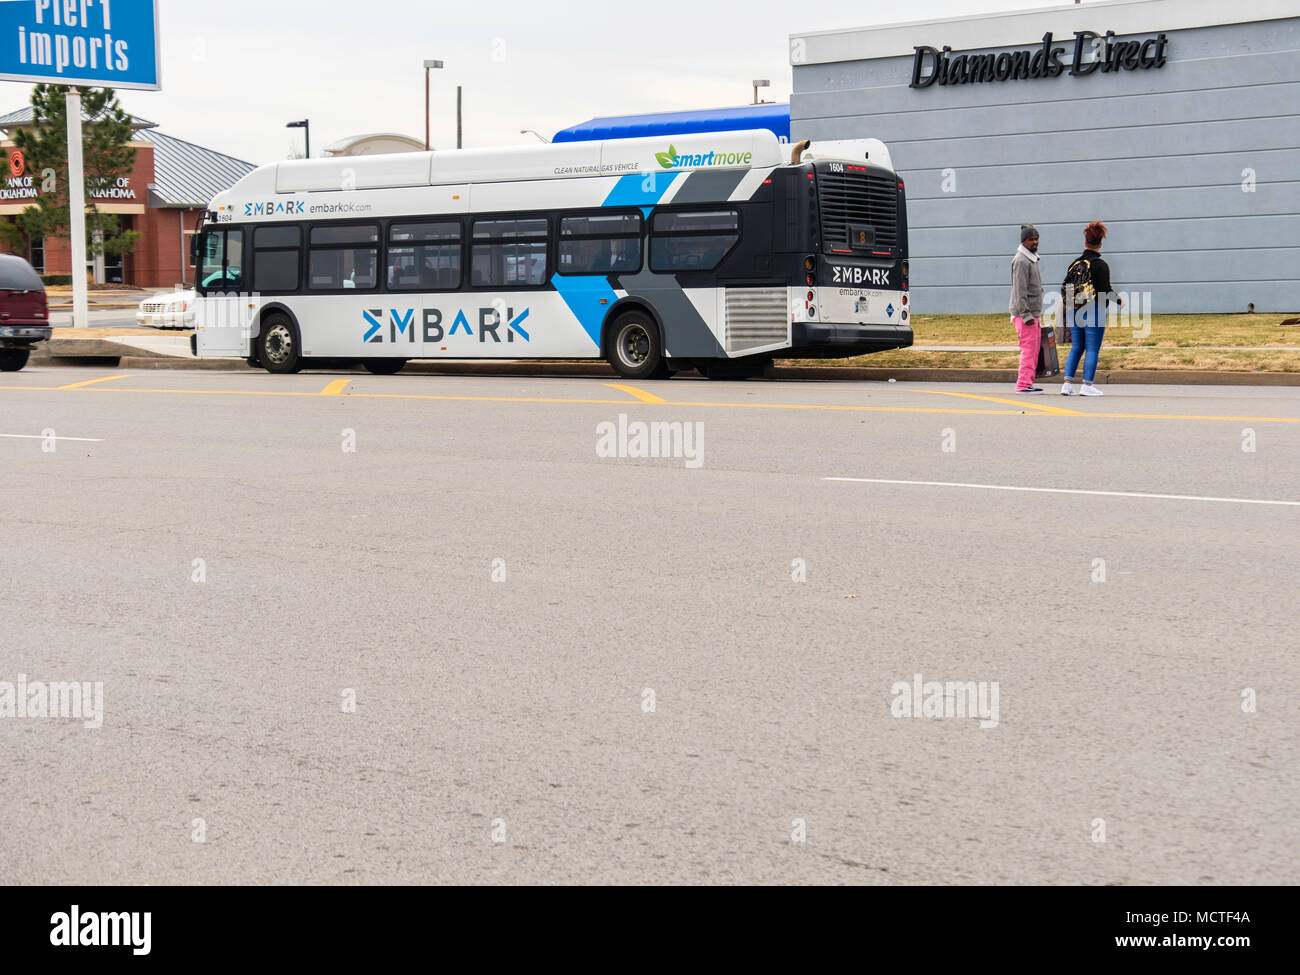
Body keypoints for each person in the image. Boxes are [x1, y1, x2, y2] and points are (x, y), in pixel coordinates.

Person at [1009, 224, 1044, 393]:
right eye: (1031, 239)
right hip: (1025, 314)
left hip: (1033, 313)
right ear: (1023, 241)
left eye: (1036, 239)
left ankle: (1028, 382)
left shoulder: (1031, 258)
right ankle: (1023, 384)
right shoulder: (1021, 261)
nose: (1034, 242)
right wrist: (1025, 314)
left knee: (1034, 349)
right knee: (1028, 349)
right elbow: (1019, 290)